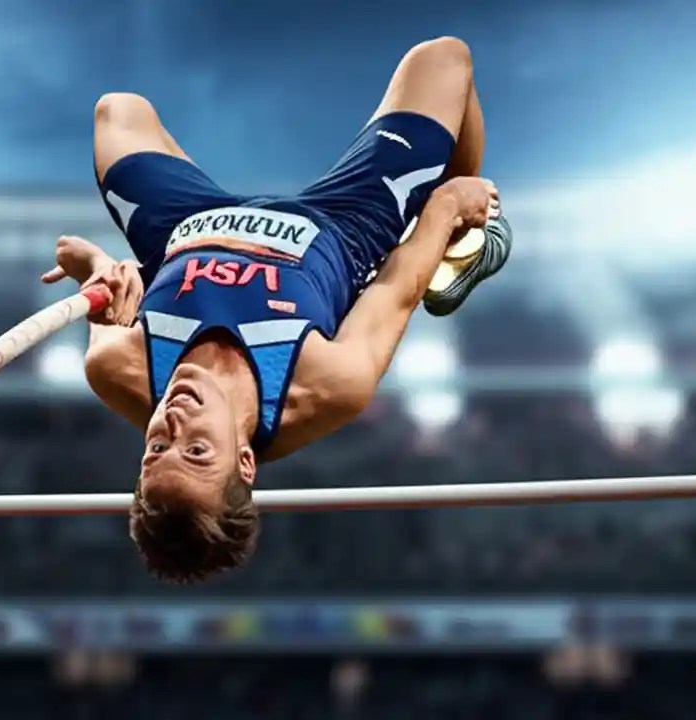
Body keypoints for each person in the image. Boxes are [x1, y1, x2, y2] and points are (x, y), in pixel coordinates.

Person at [41, 36, 511, 583]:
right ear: (244, 461)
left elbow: (106, 295)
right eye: (197, 449)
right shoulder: (324, 382)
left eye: (157, 447)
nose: (173, 421)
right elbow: (397, 287)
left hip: (185, 229)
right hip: (343, 223)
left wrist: (99, 266)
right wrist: (452, 206)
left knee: (118, 111)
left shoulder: (116, 369)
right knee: (445, 59)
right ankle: (462, 252)